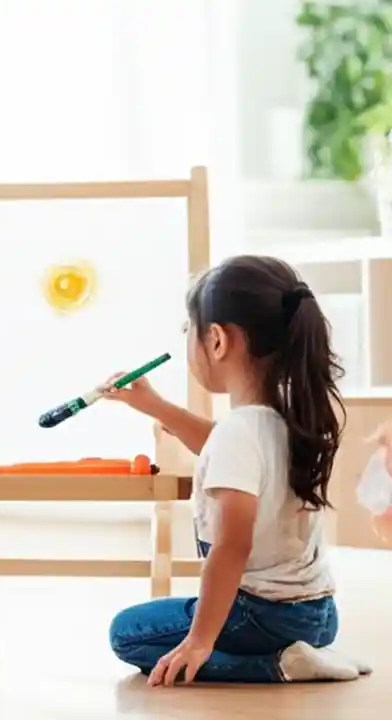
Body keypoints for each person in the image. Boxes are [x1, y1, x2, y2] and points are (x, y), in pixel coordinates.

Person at [106, 255, 370, 685]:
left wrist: (199, 640)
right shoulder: (286, 417)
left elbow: (232, 546)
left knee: (129, 633)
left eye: (187, 330)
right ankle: (306, 652)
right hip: (319, 614)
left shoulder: (239, 432)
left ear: (216, 341)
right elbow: (224, 447)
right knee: (181, 623)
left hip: (260, 615)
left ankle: (277, 665)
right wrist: (152, 404)